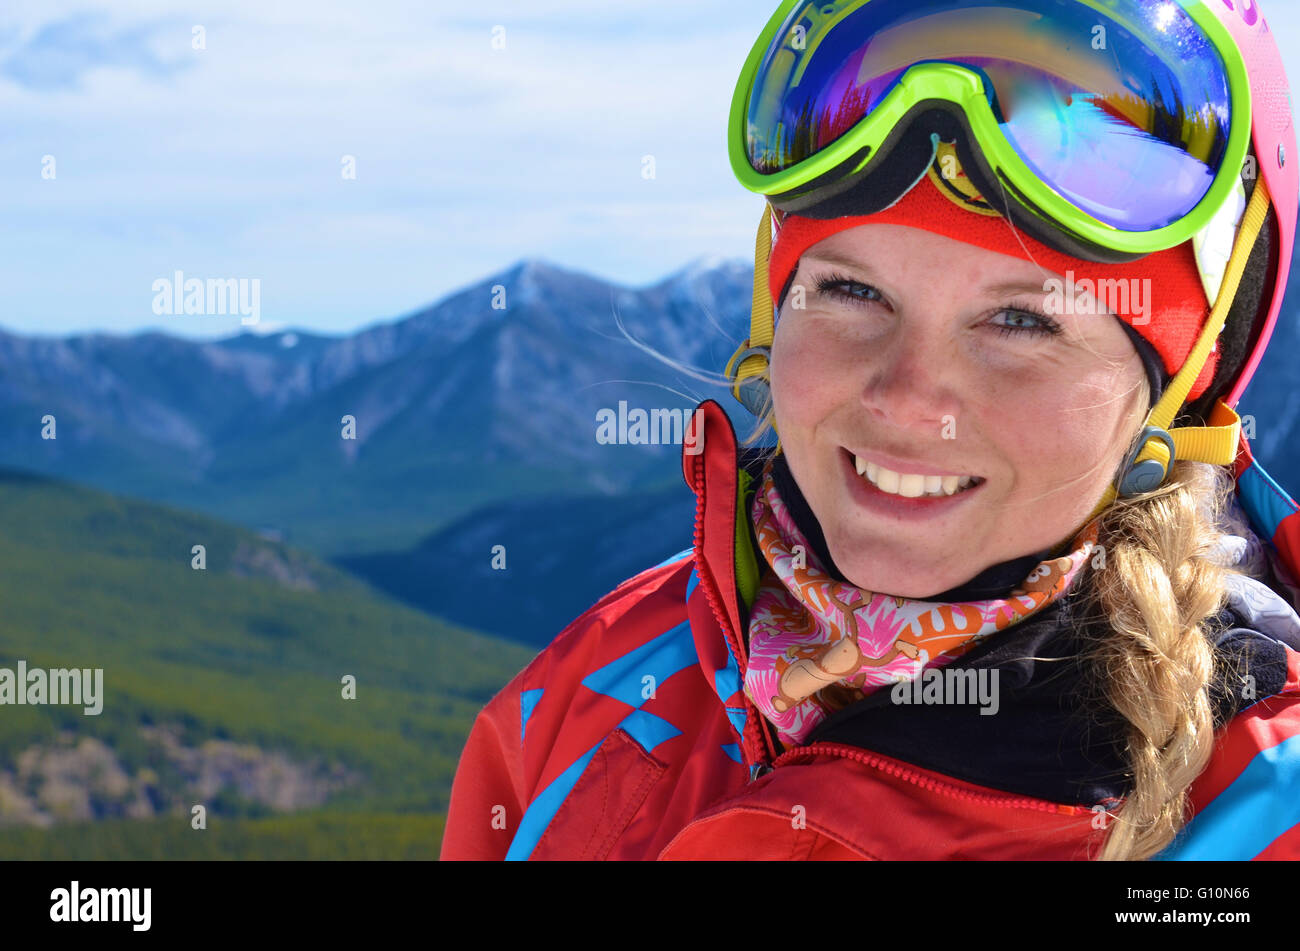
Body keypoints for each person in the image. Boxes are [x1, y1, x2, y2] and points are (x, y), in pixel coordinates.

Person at [440, 0, 1300, 860]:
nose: (906, 397)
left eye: (1021, 322)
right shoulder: (592, 690)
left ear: (1176, 391)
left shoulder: (1263, 797)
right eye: (853, 293)